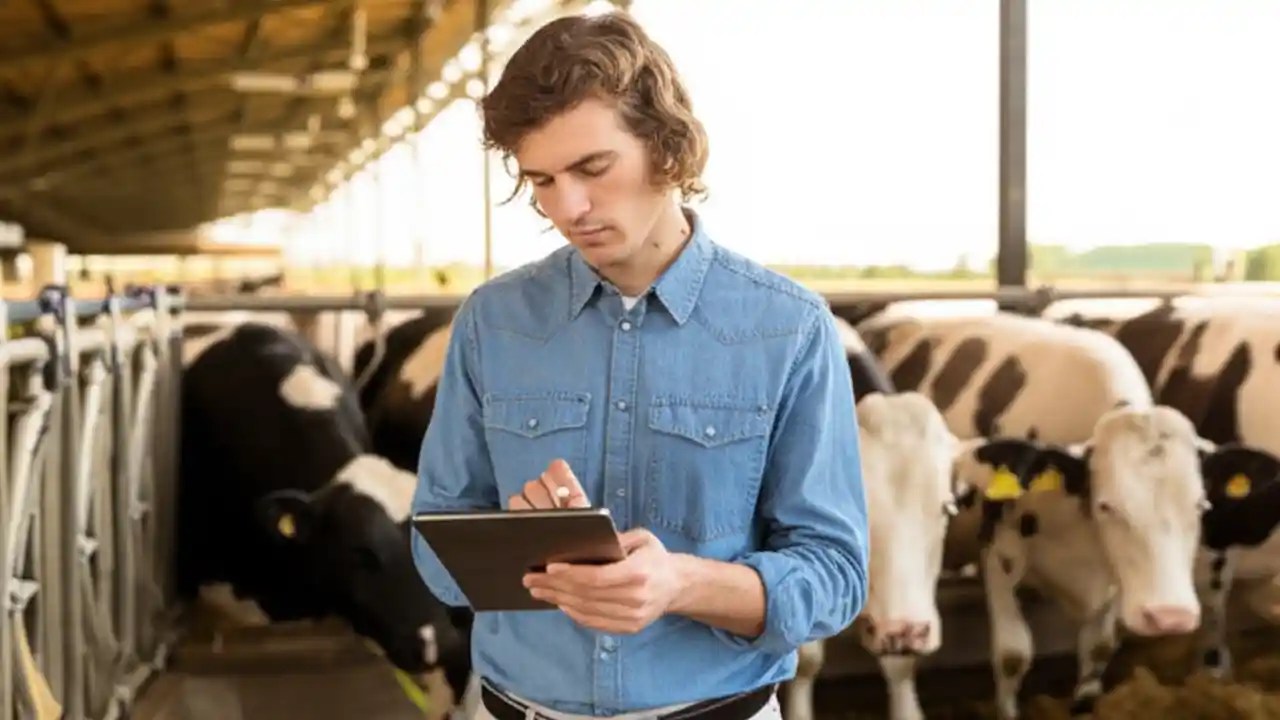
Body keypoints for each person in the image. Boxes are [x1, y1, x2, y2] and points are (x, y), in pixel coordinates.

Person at [410, 8, 868, 720]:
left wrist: (681, 584)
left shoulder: (791, 328)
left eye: (593, 168)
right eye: (541, 181)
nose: (570, 207)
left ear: (666, 147)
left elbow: (835, 577)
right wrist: (520, 543)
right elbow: (436, 551)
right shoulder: (491, 323)